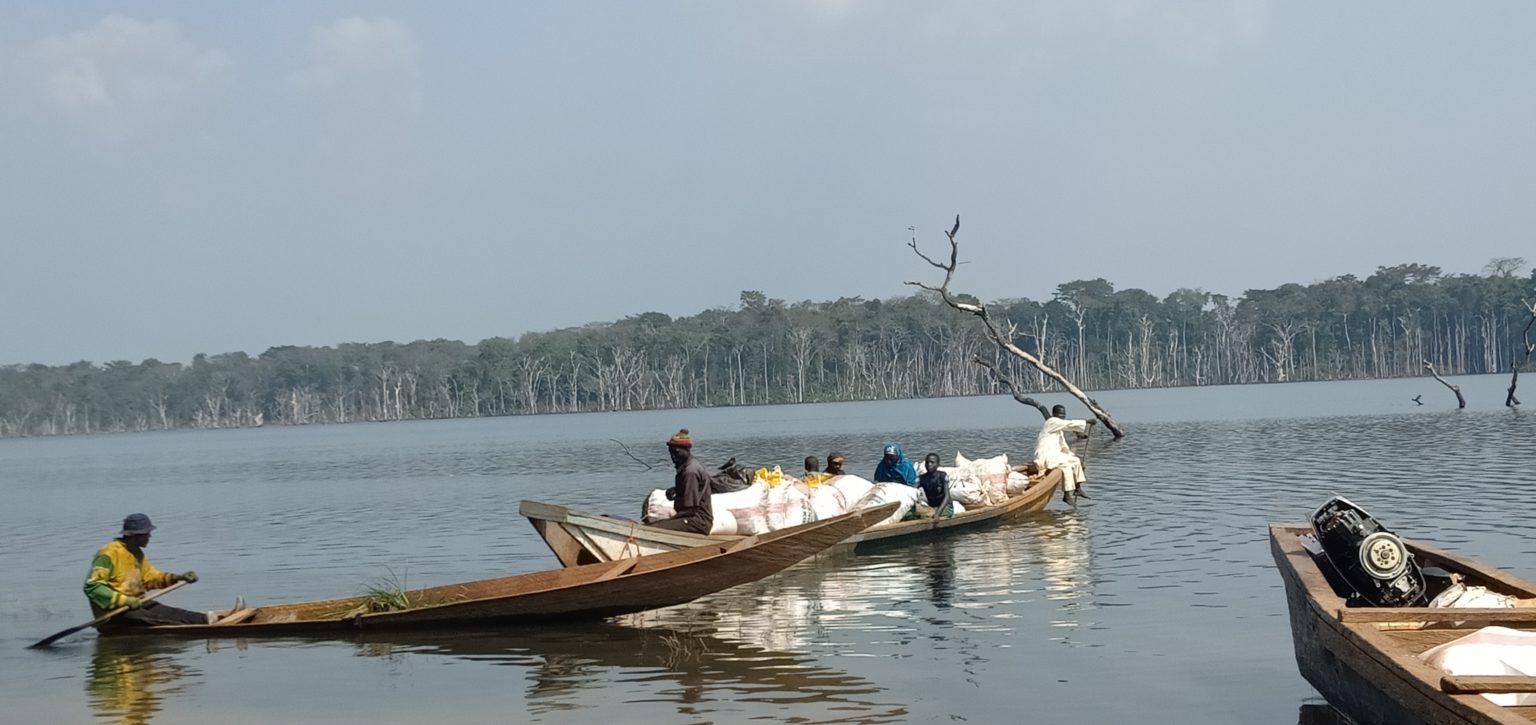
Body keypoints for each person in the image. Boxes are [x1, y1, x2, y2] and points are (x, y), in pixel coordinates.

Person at [84, 514, 214, 628]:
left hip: (138, 603)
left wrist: (178, 577)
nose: (149, 536)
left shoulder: (137, 553)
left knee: (171, 613)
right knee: (160, 619)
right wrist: (125, 601)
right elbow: (92, 586)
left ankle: (205, 619)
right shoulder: (108, 554)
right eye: (146, 533)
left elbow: (150, 578)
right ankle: (204, 625)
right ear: (135, 535)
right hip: (115, 612)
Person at [1021, 398, 1095, 504]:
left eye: (1063, 414)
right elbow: (1069, 424)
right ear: (1054, 414)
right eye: (1060, 414)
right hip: (1045, 456)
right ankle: (1066, 494)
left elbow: (1063, 447)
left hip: (1055, 455)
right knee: (1066, 466)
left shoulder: (1058, 430)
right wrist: (1086, 422)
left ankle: (1078, 488)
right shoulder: (1052, 422)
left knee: (1076, 461)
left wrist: (1071, 457)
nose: (1062, 416)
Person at [651, 429, 714, 534]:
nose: (673, 457)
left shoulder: (690, 472)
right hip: (692, 518)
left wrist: (673, 519)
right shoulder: (687, 467)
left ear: (687, 450)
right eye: (671, 453)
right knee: (658, 525)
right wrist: (676, 490)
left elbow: (691, 509)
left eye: (676, 452)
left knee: (655, 529)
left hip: (698, 520)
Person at [917, 453, 953, 518]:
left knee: (932, 516)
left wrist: (938, 513)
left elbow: (947, 496)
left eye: (932, 462)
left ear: (938, 464)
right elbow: (914, 489)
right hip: (932, 506)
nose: (929, 464)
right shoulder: (922, 478)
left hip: (945, 507)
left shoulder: (942, 476)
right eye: (927, 462)